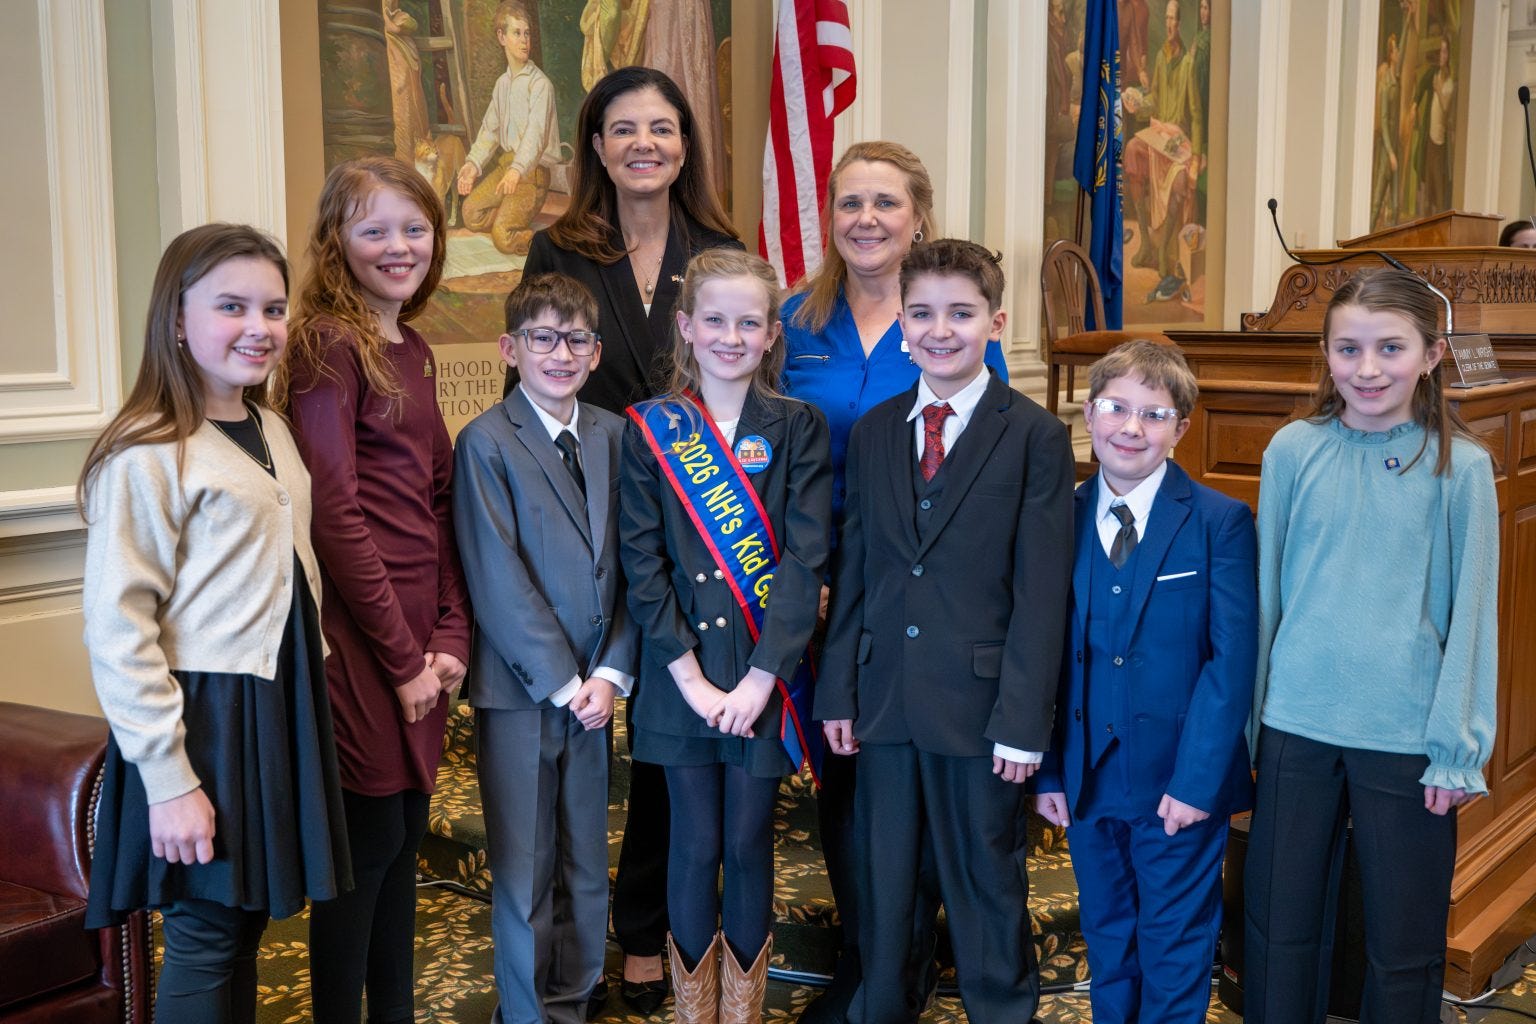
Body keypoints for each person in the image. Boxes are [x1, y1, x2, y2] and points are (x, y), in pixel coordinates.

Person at [507, 64, 743, 1010]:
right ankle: (563, 953)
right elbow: (533, 376)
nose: (644, 144)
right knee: (574, 734)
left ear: (686, 146)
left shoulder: (721, 245)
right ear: (595, 145)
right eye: (623, 129)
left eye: (663, 128)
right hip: (584, 509)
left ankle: (645, 934)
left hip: (699, 521)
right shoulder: (554, 248)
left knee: (667, 737)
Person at [80, 223, 351, 1022]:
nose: (259, 328)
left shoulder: (269, 429)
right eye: (231, 306)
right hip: (203, 722)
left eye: (273, 309)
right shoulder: (148, 451)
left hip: (272, 706)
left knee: (243, 929)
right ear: (176, 319)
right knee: (204, 931)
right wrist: (170, 783)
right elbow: (118, 629)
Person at [779, 139, 1010, 1024]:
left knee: (925, 771)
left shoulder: (947, 318)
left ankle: (913, 957)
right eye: (849, 204)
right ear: (830, 218)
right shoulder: (796, 322)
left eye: (885, 203)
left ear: (920, 215)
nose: (865, 220)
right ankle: (868, 958)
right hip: (820, 584)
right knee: (850, 781)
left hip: (928, 588)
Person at [816, 239, 1074, 1024]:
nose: (939, 330)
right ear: (901, 323)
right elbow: (857, 568)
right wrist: (838, 689)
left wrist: (1025, 723)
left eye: (960, 314)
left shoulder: (1034, 435)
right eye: (921, 313)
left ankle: (1002, 1009)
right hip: (885, 698)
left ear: (994, 322)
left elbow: (1042, 595)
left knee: (985, 880)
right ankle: (885, 1006)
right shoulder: (875, 430)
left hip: (983, 708)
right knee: (883, 879)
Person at [1243, 267, 1499, 1024]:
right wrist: (1252, 729)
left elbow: (1474, 617)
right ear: (1325, 355)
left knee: (1402, 939)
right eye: (1348, 349)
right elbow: (1267, 601)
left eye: (1391, 348)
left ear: (1433, 353)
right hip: (1296, 723)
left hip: (1406, 735)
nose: (1368, 369)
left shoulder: (1462, 467)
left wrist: (1458, 747)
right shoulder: (1293, 450)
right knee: (1278, 928)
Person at [275, 157, 472, 1024]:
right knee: (371, 844)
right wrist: (402, 658)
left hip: (420, 638)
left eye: (415, 228)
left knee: (403, 842)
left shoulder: (415, 347)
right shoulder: (327, 344)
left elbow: (439, 501)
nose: (399, 246)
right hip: (361, 636)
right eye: (373, 229)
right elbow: (333, 512)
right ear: (337, 242)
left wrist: (453, 634)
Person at [619, 248, 832, 1023]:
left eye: (750, 322)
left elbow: (807, 557)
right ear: (687, 326)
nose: (732, 336)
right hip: (683, 679)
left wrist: (758, 681)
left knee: (745, 845)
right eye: (716, 320)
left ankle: (739, 1013)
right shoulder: (651, 428)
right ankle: (690, 1012)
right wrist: (693, 681)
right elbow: (641, 564)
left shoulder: (798, 425)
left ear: (773, 333)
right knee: (693, 844)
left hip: (760, 679)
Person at [1033, 340, 1257, 1024]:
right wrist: (1046, 773)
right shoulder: (1056, 517)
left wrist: (1197, 781)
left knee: (1175, 942)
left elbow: (1231, 662)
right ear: (1088, 414)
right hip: (1085, 774)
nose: (1131, 428)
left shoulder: (1219, 521)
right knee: (1108, 936)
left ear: (1181, 429)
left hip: (1176, 782)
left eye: (1154, 415)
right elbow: (1037, 652)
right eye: (1116, 408)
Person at [453, 271, 639, 1024]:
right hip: (524, 692)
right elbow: (498, 576)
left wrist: (615, 671)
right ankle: (531, 1014)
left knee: (586, 863)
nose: (560, 353)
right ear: (511, 347)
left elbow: (634, 561)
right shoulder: (486, 442)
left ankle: (574, 997)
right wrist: (567, 683)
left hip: (599, 688)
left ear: (595, 353)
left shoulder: (614, 434)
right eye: (542, 338)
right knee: (527, 868)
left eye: (576, 340)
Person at [457, 1, 561, 256]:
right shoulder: (502, 84)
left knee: (503, 237)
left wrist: (517, 171)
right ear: (501, 37)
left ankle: (549, 242)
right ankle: (510, 213)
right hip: (505, 166)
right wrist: (472, 166)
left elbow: (535, 136)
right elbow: (490, 132)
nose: (524, 40)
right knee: (471, 213)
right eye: (517, 33)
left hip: (531, 172)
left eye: (526, 33)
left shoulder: (540, 85)